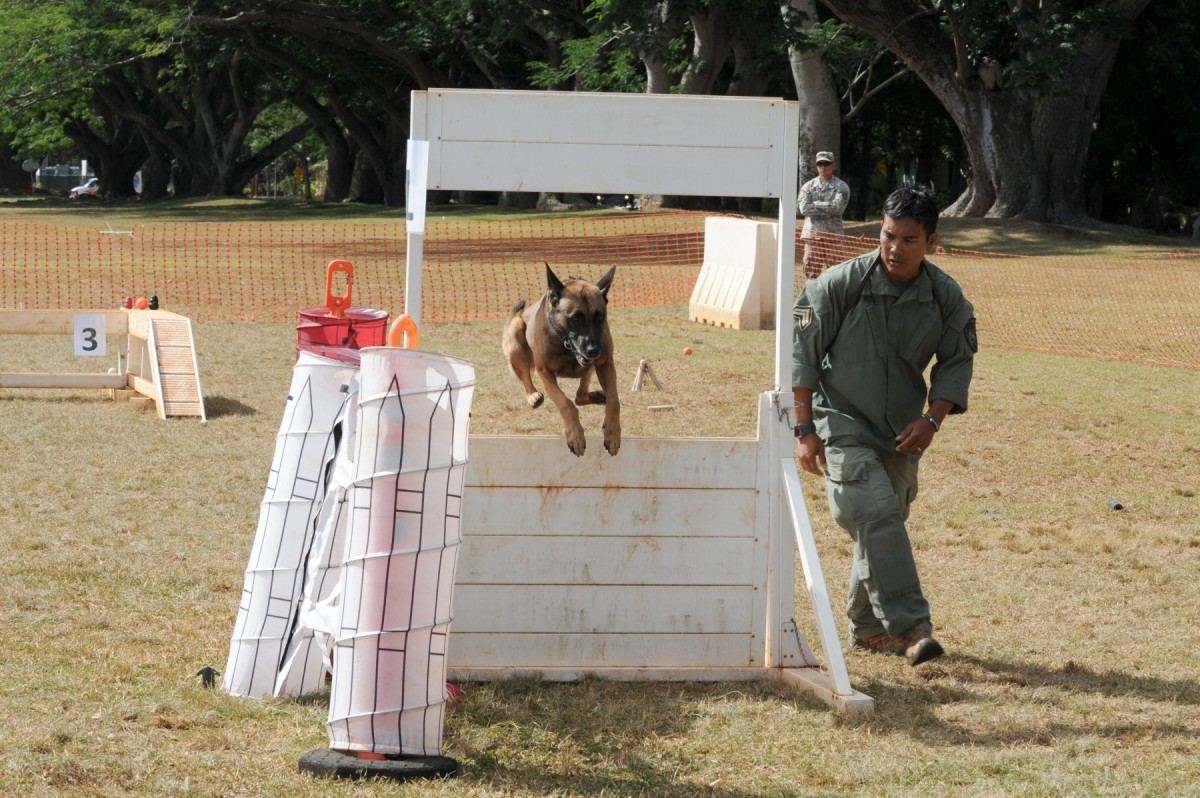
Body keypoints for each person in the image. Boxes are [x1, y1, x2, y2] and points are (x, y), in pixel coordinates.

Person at [791, 187, 977, 667]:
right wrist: (804, 428)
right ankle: (912, 626)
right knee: (874, 512)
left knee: (884, 522)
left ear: (932, 241)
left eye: (909, 240)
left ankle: (869, 630)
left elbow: (957, 361)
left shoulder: (945, 295)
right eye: (888, 235)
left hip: (901, 432)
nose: (895, 248)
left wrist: (932, 420)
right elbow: (801, 357)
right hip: (840, 422)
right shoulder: (836, 285)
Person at [797, 151, 851, 278]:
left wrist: (815, 204)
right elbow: (804, 209)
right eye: (820, 164)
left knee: (836, 275)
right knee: (811, 273)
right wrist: (828, 206)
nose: (823, 167)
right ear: (816, 166)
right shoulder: (807, 187)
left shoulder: (841, 187)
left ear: (833, 165)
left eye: (826, 164)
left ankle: (834, 298)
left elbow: (838, 208)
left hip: (833, 236)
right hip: (812, 236)